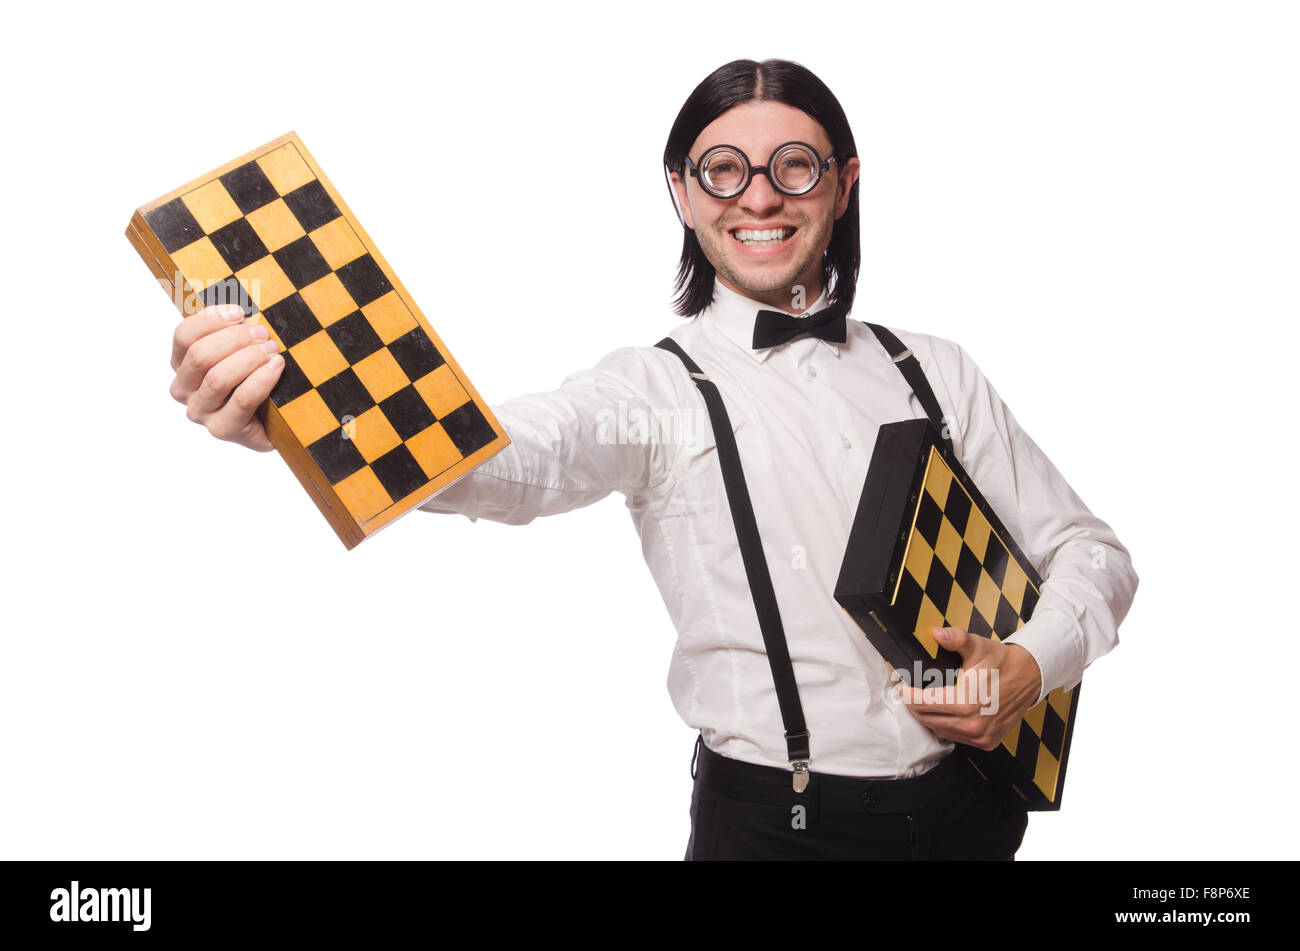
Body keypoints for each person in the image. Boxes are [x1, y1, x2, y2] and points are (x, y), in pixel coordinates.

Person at [168, 58, 1138, 860]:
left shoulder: (934, 367)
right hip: (777, 830)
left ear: (843, 183)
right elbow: (505, 461)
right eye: (722, 169)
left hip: (976, 813)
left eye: (793, 166)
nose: (758, 196)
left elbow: (1091, 552)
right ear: (680, 192)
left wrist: (1027, 664)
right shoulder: (655, 394)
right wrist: (308, 420)